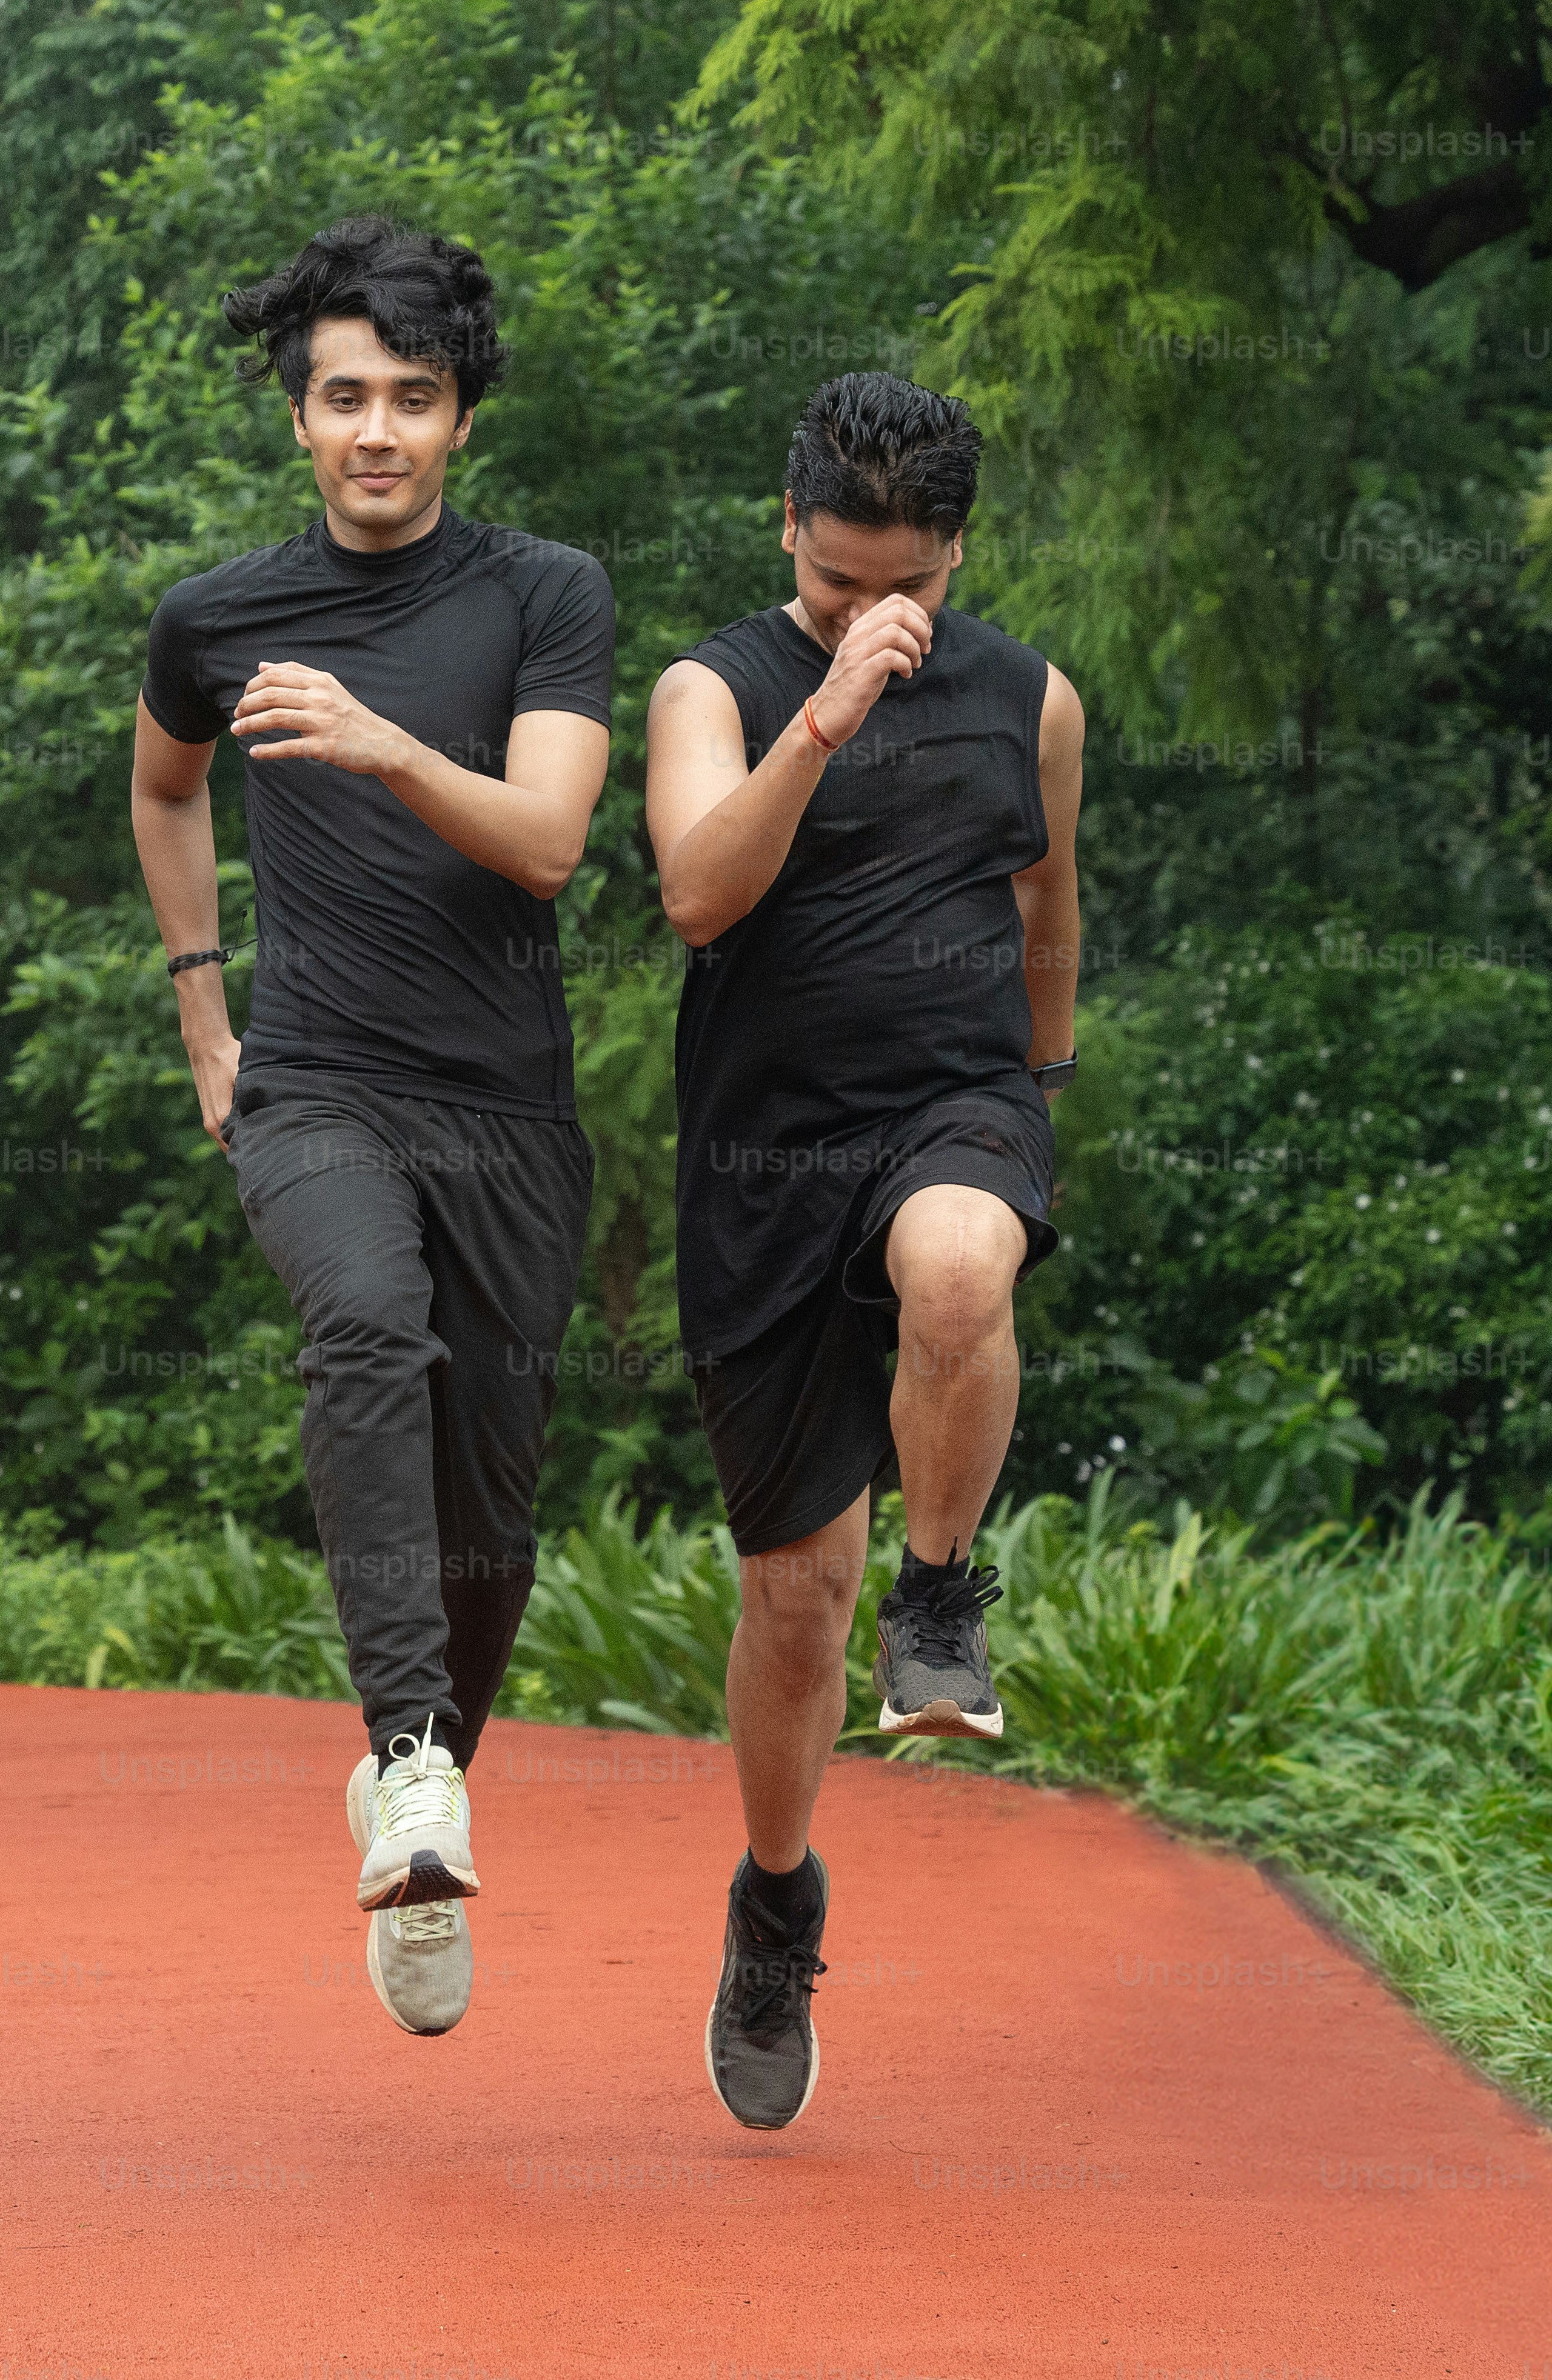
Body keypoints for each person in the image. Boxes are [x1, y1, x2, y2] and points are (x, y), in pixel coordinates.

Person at [128, 216, 614, 2038]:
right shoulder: (218, 617)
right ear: (297, 416)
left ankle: (426, 1800)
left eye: (413, 398)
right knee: (359, 1322)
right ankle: (407, 1753)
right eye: (344, 398)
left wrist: (381, 742)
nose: (378, 431)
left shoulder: (543, 595)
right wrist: (203, 1007)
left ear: (462, 418)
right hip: (313, 1082)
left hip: (504, 1109)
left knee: (493, 1508)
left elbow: (552, 842)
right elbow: (161, 782)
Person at [644, 370, 1085, 2131]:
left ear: (955, 552)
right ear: (788, 533)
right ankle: (773, 1894)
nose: (870, 614)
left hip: (953, 1110)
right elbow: (693, 891)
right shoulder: (715, 686)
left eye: (902, 589)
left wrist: (1040, 1091)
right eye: (835, 582)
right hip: (761, 1163)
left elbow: (1047, 904)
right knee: (786, 1598)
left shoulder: (1033, 700)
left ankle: (947, 1592)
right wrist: (818, 709)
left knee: (962, 1266)